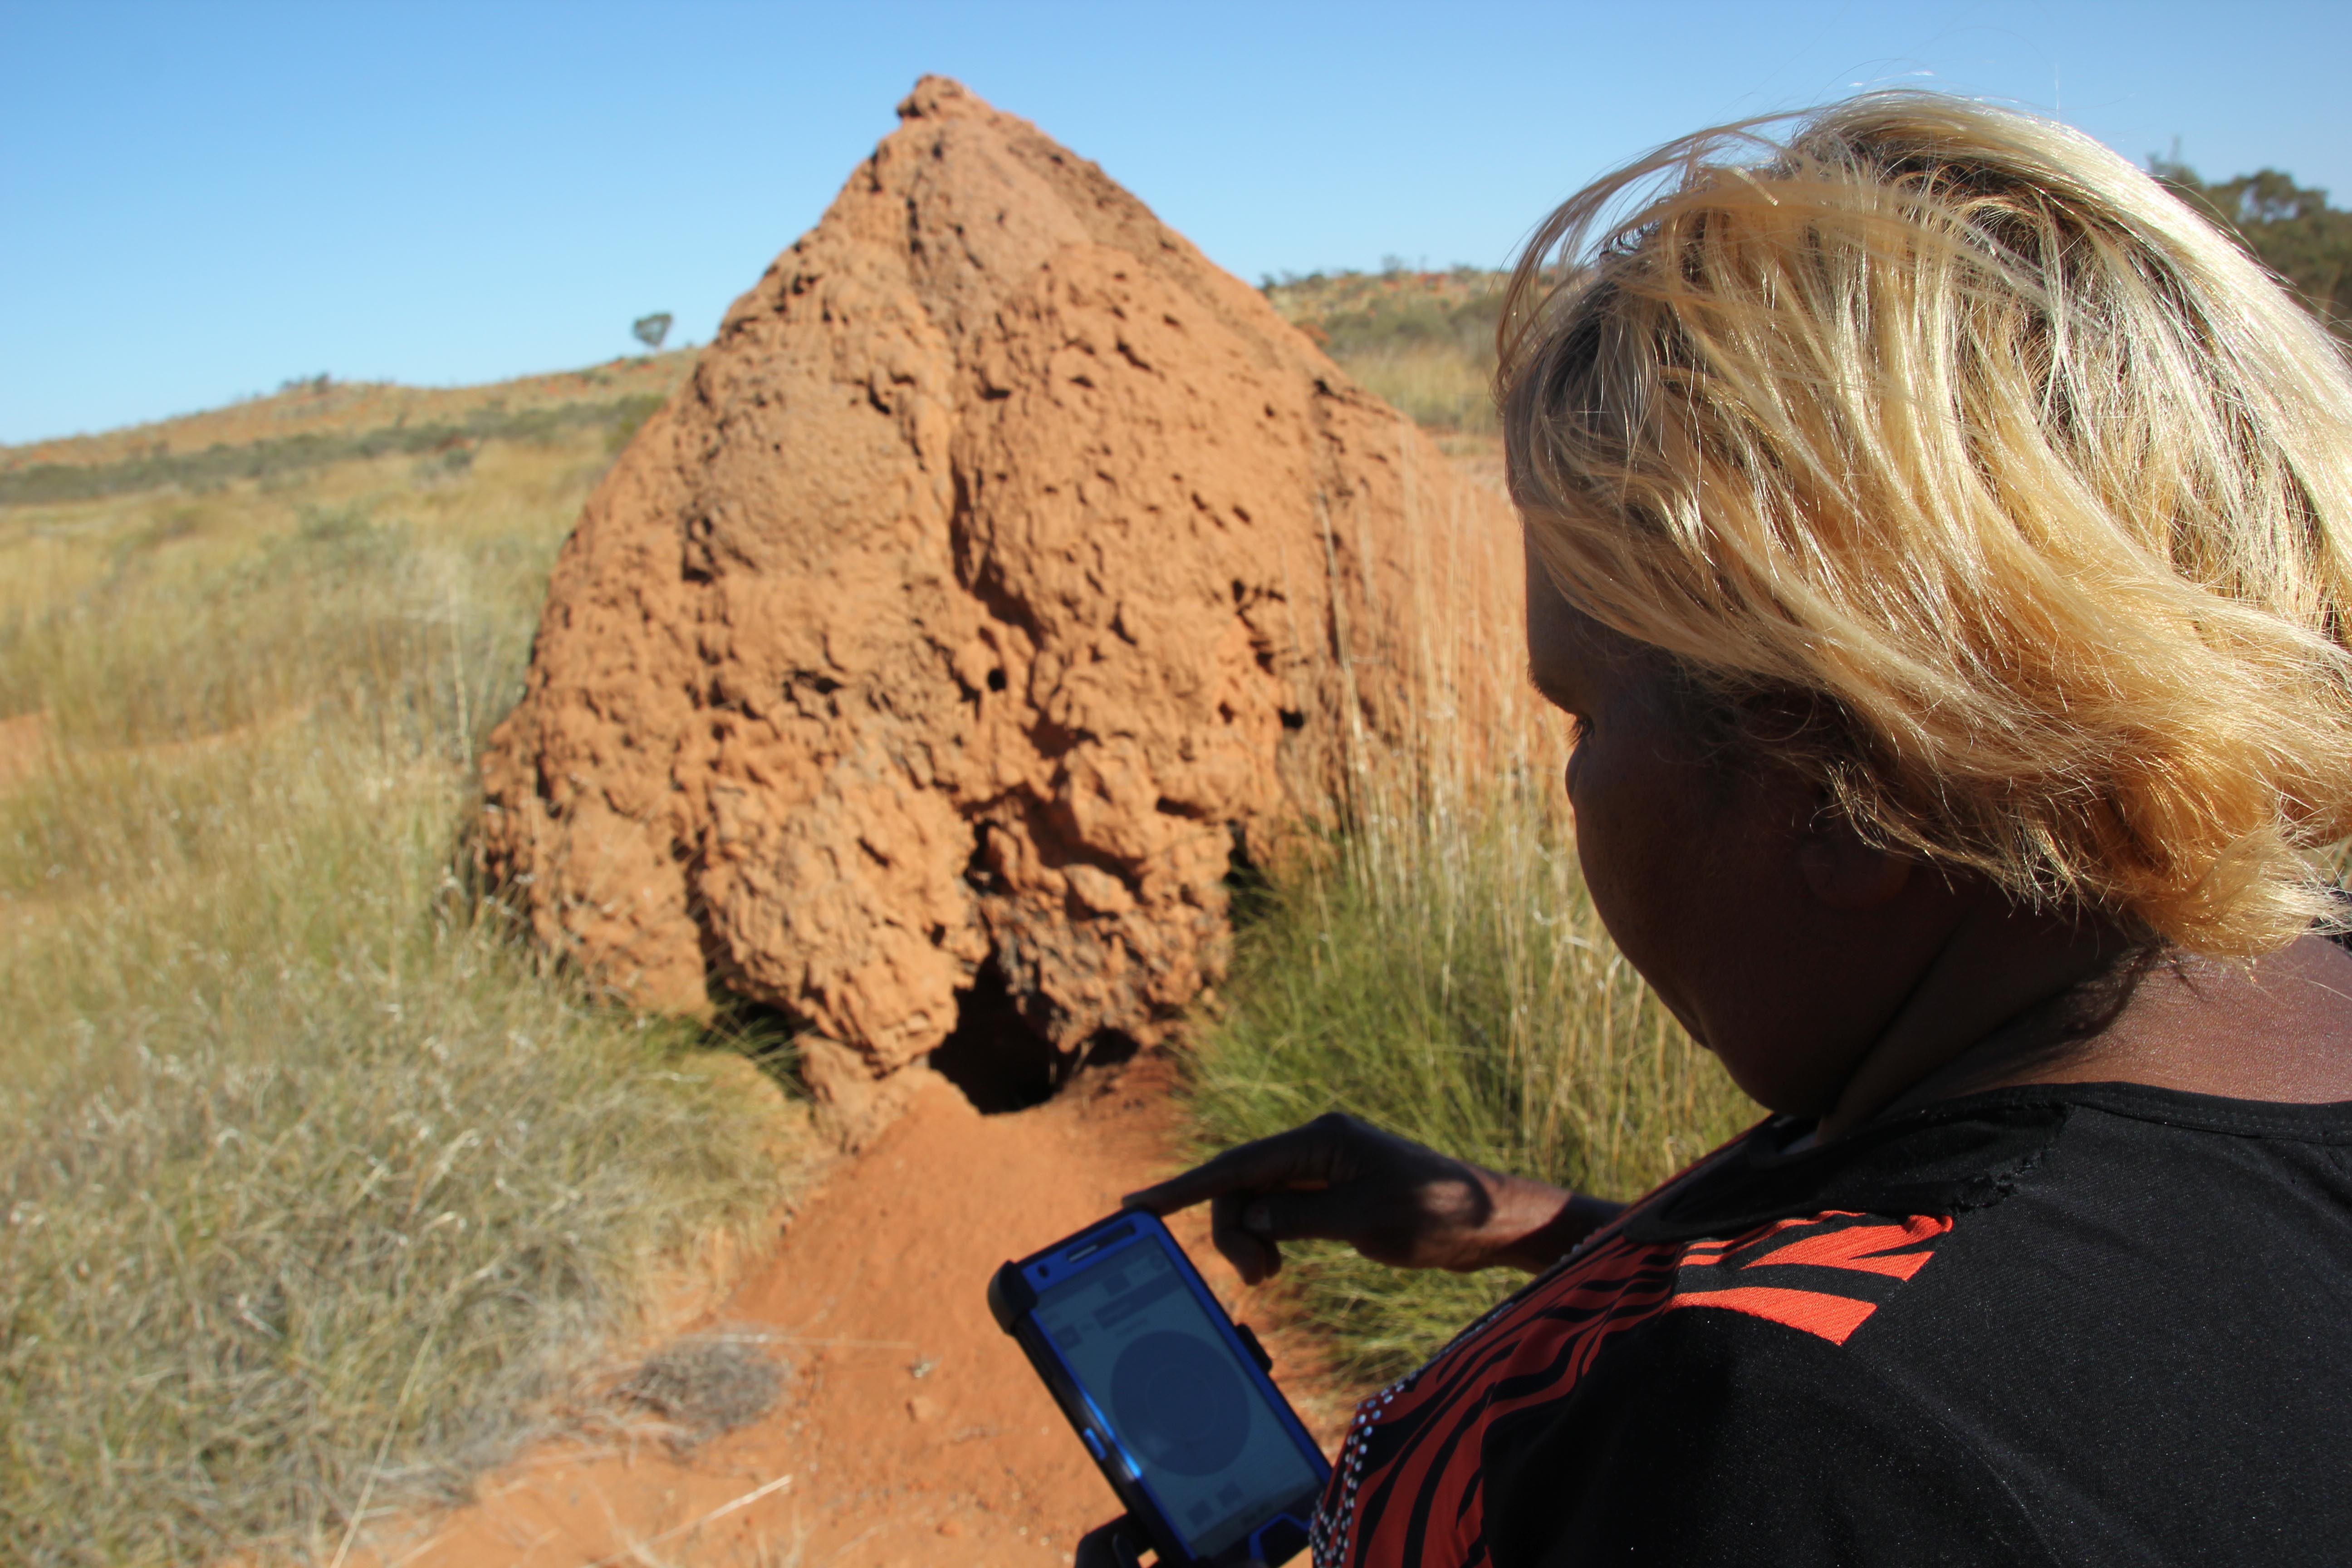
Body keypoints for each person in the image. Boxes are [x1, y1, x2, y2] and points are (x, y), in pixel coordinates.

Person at [1124, 93, 2352, 1567]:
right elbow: (2061, 1316)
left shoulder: (1797, 1446)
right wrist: (1541, 1228)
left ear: (1852, 779)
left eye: (1581, 715)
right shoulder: (2259, 1005)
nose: (1568, 786)